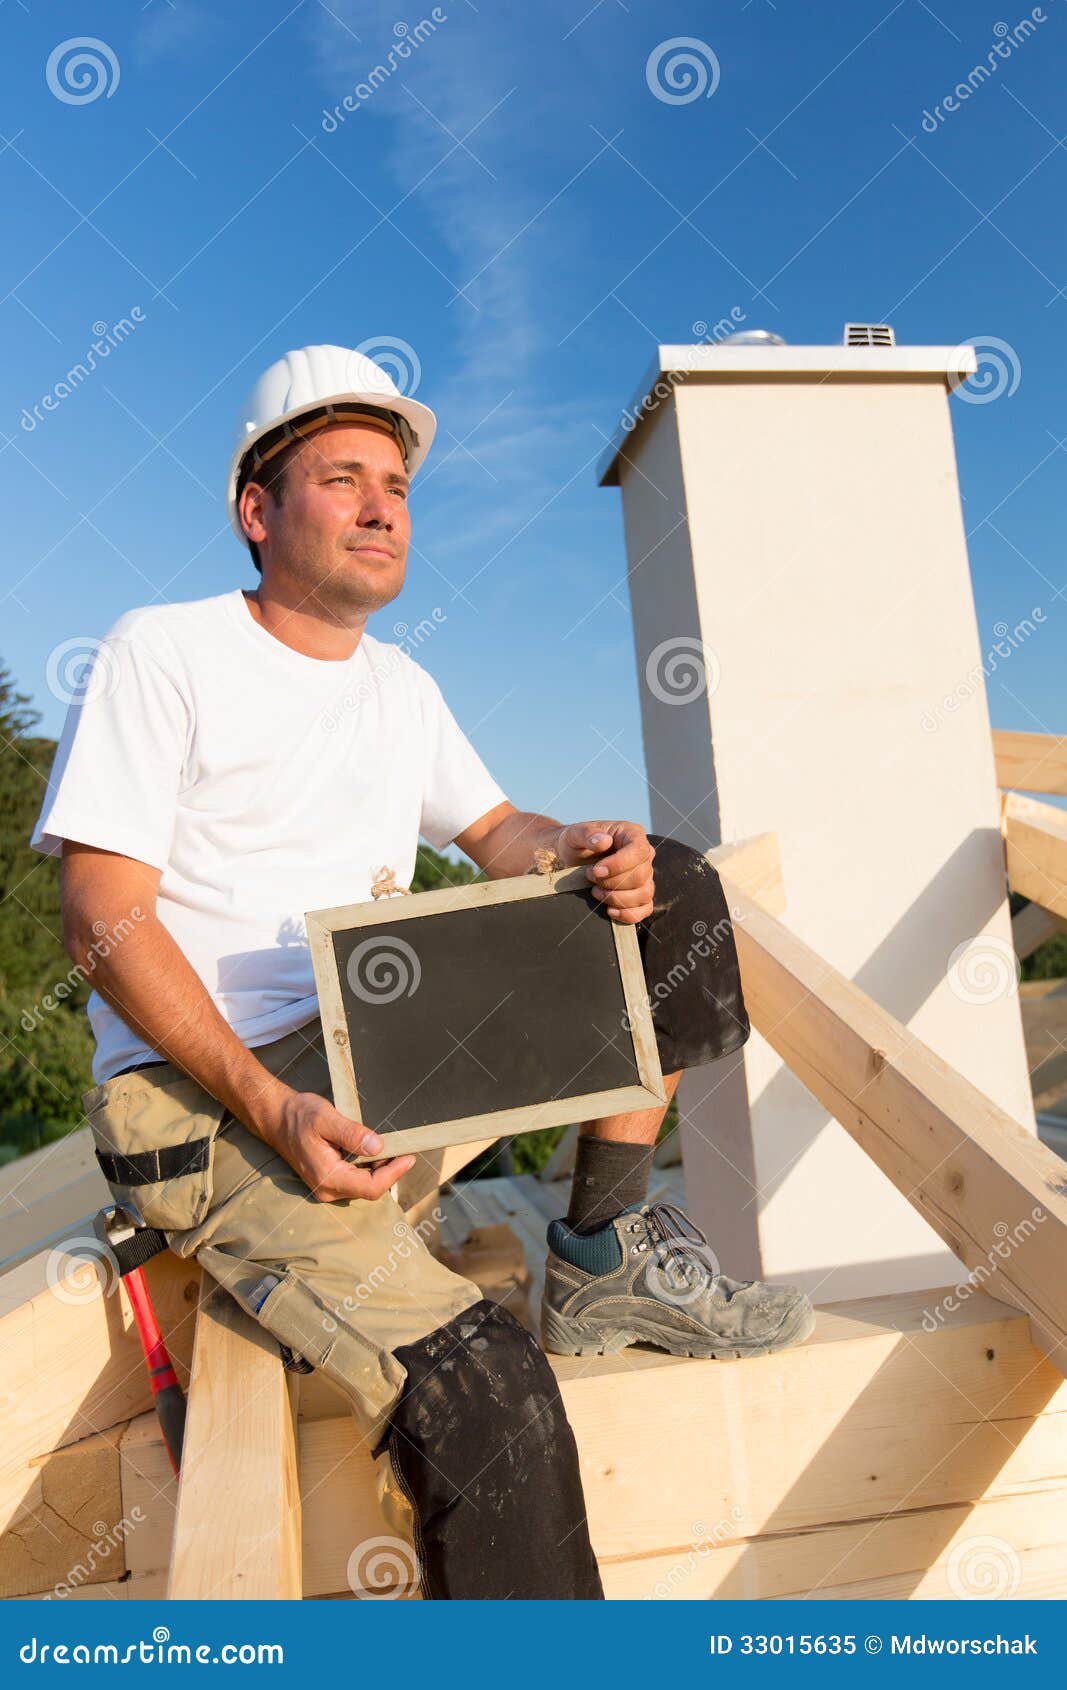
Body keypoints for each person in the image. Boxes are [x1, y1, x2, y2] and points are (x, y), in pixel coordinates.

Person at [32, 344, 813, 1601]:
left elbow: (499, 833)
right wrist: (268, 1103)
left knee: (672, 883)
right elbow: (100, 918)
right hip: (205, 1097)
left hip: (371, 1044)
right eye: (340, 478)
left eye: (393, 482)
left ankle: (603, 1249)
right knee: (491, 1398)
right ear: (258, 511)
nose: (382, 504)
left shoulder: (399, 685)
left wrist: (580, 848)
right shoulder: (162, 651)